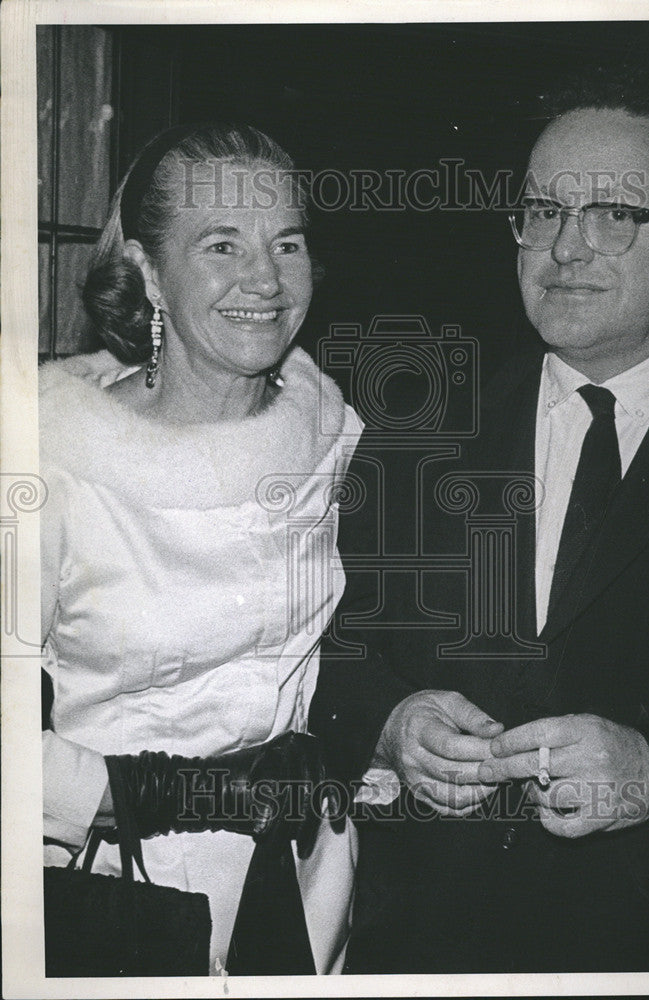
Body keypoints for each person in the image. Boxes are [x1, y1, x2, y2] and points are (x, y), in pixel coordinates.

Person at [310, 67, 649, 972]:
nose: (565, 248)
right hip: (425, 951)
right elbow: (320, 644)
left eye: (612, 214)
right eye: (541, 211)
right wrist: (387, 720)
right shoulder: (419, 423)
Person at [40, 123, 362, 975]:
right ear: (148, 270)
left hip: (304, 883)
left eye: (285, 242)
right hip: (119, 895)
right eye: (222, 244)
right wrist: (162, 793)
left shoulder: (330, 435)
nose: (265, 279)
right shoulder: (50, 463)